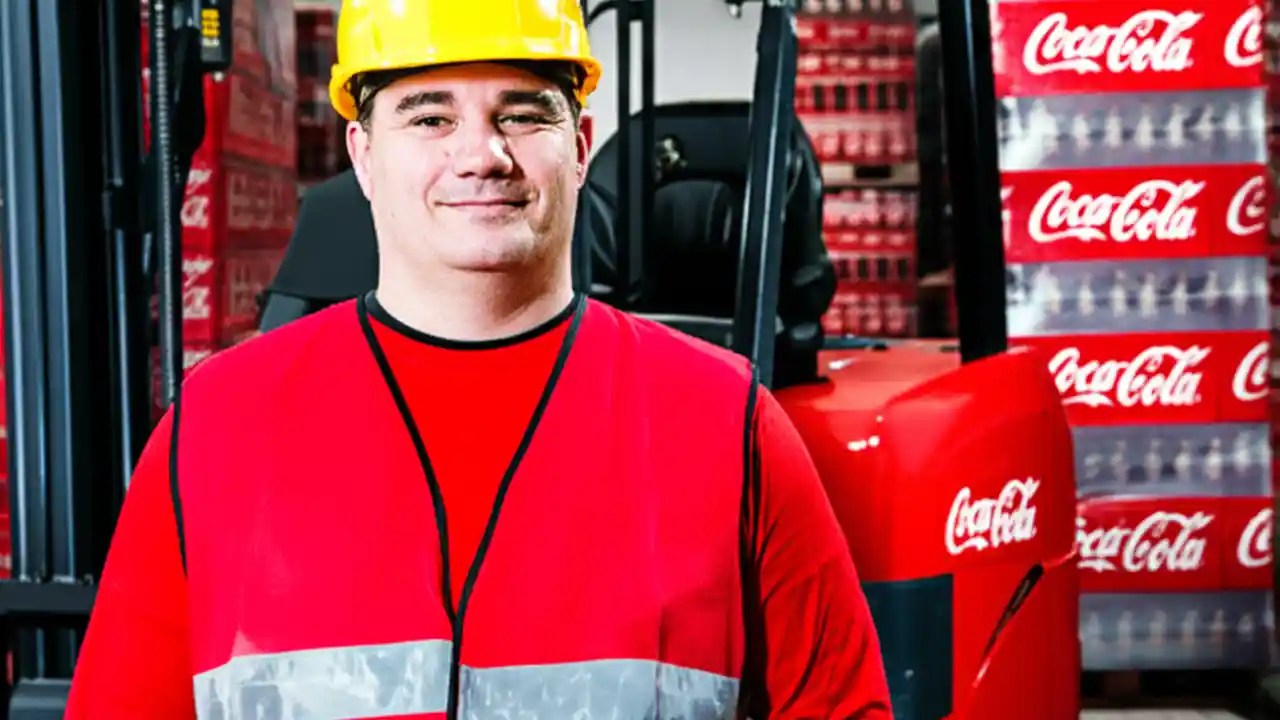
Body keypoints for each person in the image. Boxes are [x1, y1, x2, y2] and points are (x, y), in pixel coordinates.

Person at [65, 1, 892, 717]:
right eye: (429, 117)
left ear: (580, 143)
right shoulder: (217, 429)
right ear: (362, 154)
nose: (481, 154)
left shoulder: (724, 424)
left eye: (523, 114)